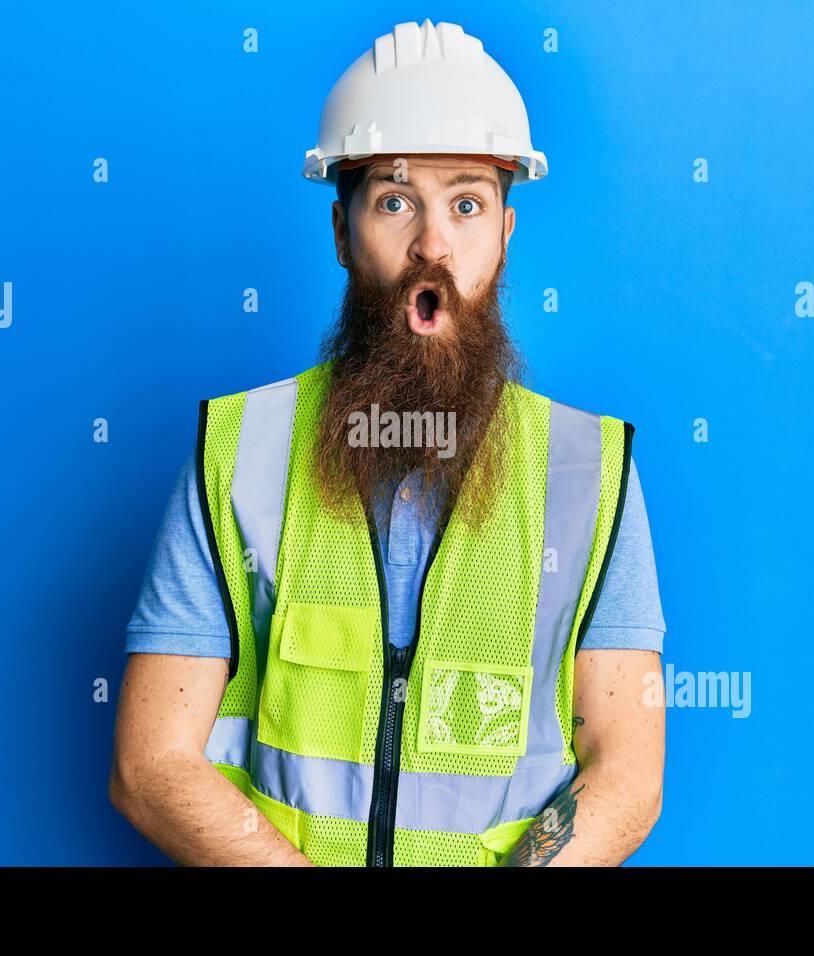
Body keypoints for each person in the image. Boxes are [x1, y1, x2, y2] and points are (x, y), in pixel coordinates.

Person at [109, 18, 666, 867]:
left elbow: (627, 772)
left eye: (469, 203)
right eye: (396, 201)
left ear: (507, 237)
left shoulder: (589, 472)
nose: (432, 245)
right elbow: (151, 766)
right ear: (342, 232)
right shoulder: (239, 450)